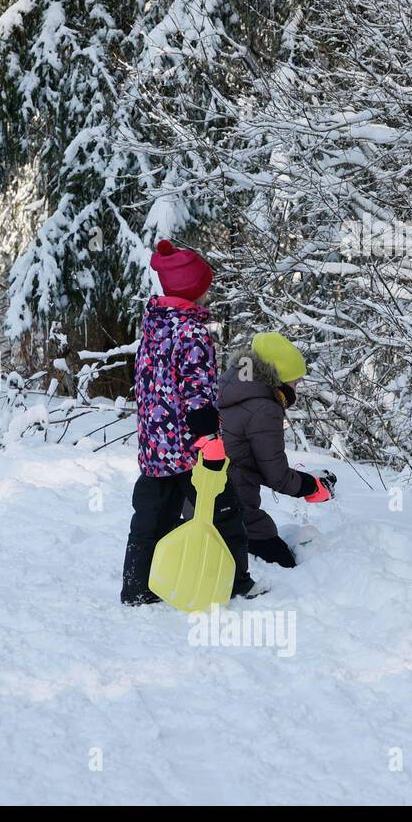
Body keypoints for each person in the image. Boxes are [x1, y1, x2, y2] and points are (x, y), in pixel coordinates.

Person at [121, 240, 260, 606]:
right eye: (205, 286)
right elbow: (196, 390)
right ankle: (236, 582)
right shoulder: (193, 333)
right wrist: (208, 439)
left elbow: (150, 385)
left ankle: (137, 586)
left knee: (152, 518)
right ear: (195, 290)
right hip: (188, 448)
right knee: (224, 511)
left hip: (154, 448)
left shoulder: (154, 326)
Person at [217, 333, 336, 568]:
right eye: (294, 382)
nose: (297, 389)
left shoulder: (230, 386)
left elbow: (251, 460)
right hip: (233, 511)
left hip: (199, 502)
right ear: (278, 379)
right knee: (286, 566)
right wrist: (312, 486)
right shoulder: (264, 407)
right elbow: (277, 475)